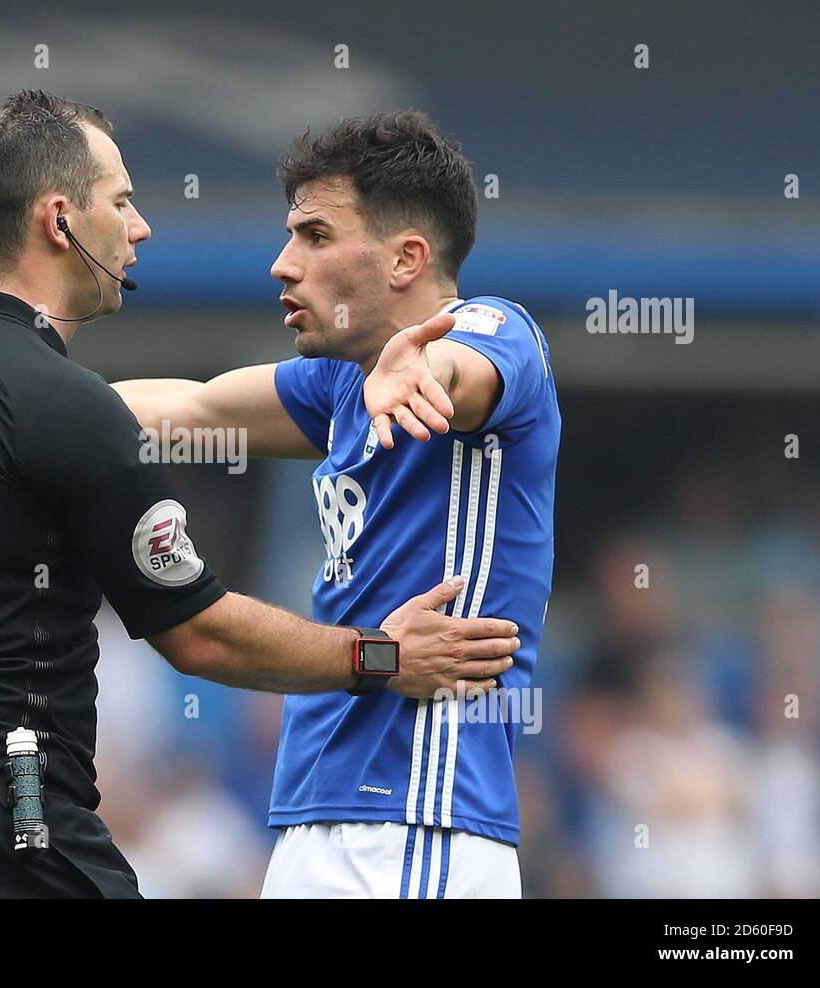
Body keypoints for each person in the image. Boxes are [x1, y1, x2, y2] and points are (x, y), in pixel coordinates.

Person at [0, 91, 519, 898]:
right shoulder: (66, 405)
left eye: (312, 235)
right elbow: (197, 634)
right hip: (15, 824)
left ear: (408, 258)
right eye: (123, 202)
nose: (140, 228)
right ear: (61, 221)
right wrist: (382, 654)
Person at [114, 109, 561, 897]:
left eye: (315, 236)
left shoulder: (498, 333)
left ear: (406, 258)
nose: (283, 265)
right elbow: (190, 413)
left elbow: (462, 370)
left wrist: (423, 372)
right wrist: (5, 393)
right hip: (322, 819)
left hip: (415, 820)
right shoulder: (341, 386)